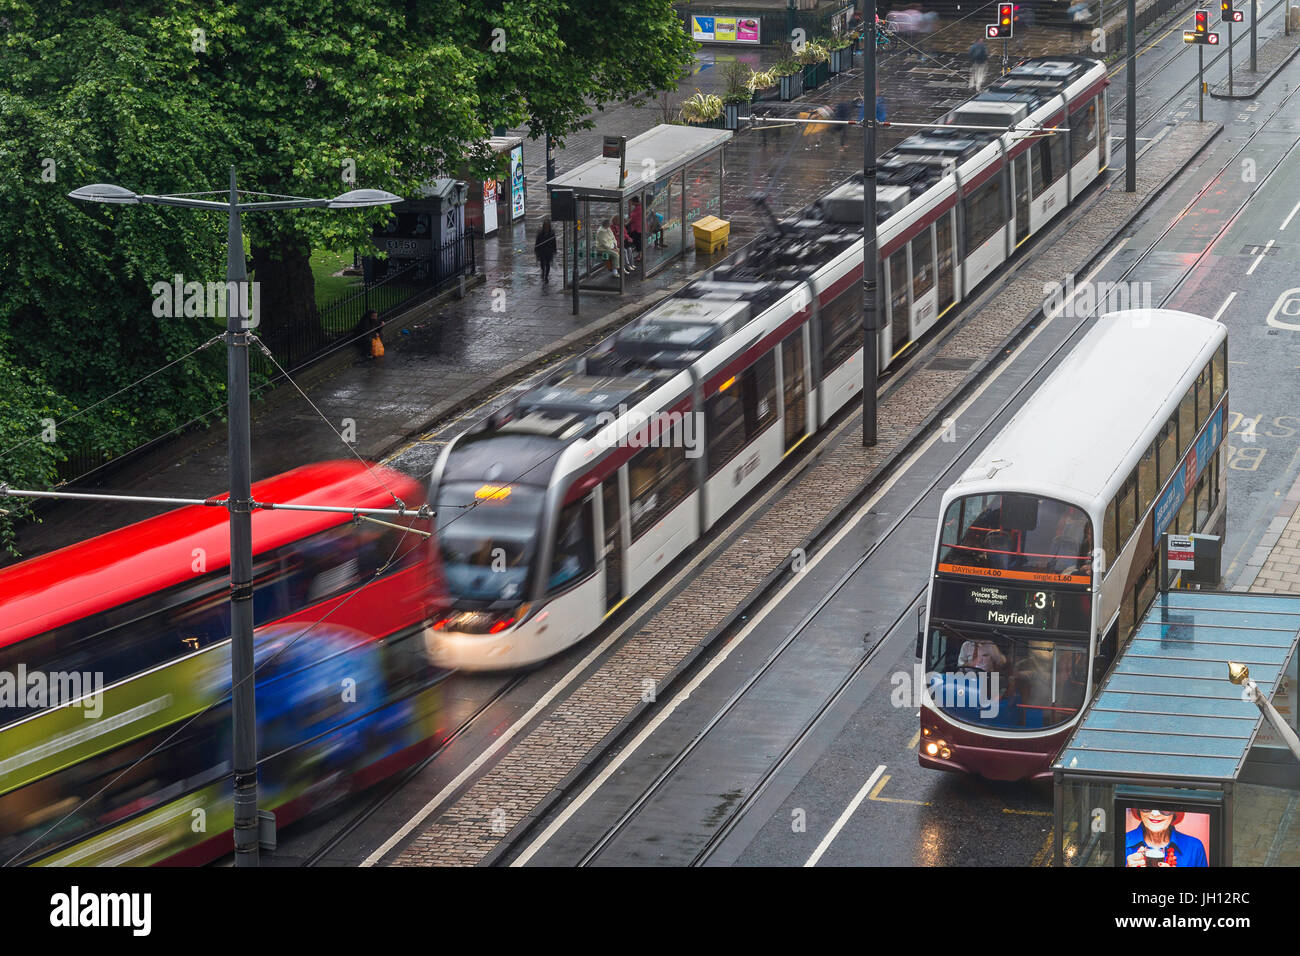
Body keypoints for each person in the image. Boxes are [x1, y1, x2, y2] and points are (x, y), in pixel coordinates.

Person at [1125, 810, 1208, 867]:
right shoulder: (1121, 842)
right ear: (1138, 810)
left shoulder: (1194, 847)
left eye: (1164, 807)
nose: (1155, 813)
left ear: (1175, 812)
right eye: (1147, 806)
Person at [534, 217, 557, 284]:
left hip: (548, 251)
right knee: (542, 264)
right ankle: (543, 271)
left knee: (547, 264)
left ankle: (546, 276)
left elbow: (554, 242)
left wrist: (554, 250)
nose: (546, 227)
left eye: (547, 225)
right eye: (545, 225)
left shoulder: (552, 233)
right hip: (542, 251)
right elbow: (537, 242)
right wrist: (536, 249)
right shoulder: (540, 233)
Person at [626, 198, 644, 267]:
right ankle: (639, 254)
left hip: (637, 228)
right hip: (638, 228)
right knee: (637, 241)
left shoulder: (638, 209)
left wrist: (625, 223)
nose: (631, 204)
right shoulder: (638, 207)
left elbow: (632, 219)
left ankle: (640, 255)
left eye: (632, 202)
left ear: (635, 202)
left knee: (637, 241)